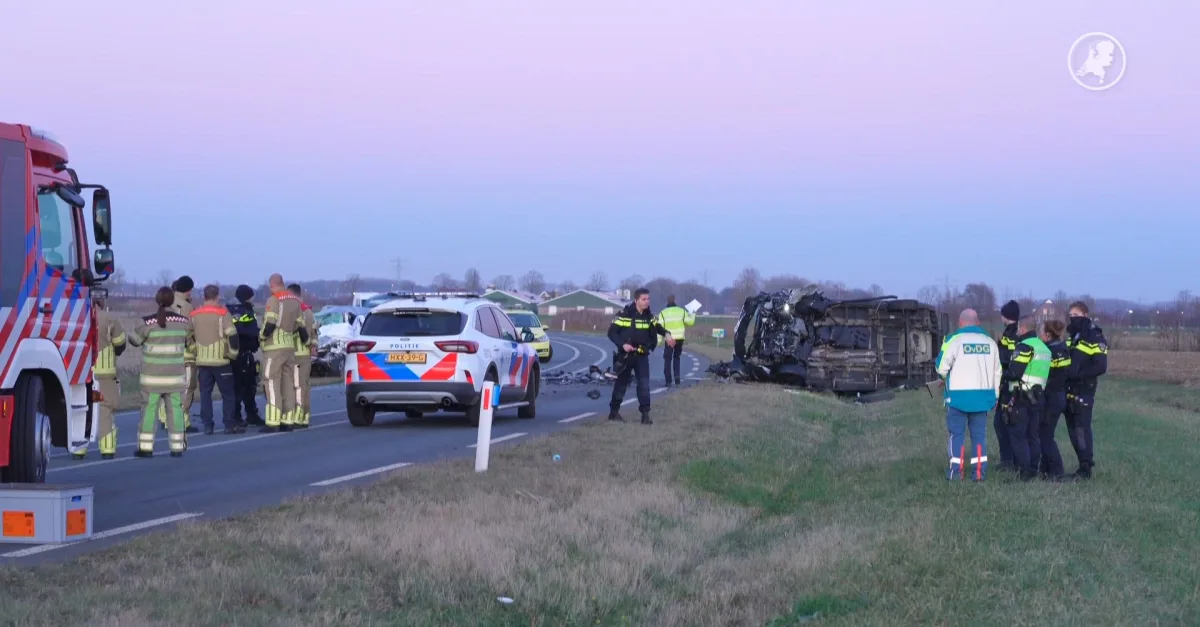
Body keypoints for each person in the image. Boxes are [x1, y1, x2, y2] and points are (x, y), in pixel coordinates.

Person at [935, 308, 1002, 481]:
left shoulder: (953, 341)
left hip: (958, 398)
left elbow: (941, 368)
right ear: (978, 322)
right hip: (983, 398)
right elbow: (997, 372)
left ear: (960, 322)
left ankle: (955, 473)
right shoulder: (990, 342)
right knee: (979, 437)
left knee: (956, 436)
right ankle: (979, 474)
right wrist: (995, 396)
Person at [127, 287, 195, 458]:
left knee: (149, 411)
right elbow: (190, 344)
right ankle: (177, 447)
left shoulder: (147, 322)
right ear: (172, 300)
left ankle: (145, 447)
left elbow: (134, 340)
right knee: (176, 411)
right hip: (175, 378)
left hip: (152, 379)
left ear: (157, 300)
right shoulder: (183, 322)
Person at [606, 287, 674, 425]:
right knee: (621, 385)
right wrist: (622, 345)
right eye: (644, 299)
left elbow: (658, 327)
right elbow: (612, 333)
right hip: (625, 356)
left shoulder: (649, 316)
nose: (647, 302)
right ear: (636, 300)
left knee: (644, 385)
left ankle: (645, 415)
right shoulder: (624, 314)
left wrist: (667, 334)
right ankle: (613, 413)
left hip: (642, 355)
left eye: (648, 299)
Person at [1001, 316, 1051, 481]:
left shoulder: (1024, 347)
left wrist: (1002, 374)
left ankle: (1023, 472)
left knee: (1018, 435)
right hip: (1037, 397)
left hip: (1022, 396)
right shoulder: (1043, 348)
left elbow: (1015, 372)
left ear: (1022, 328)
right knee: (1033, 435)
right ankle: (1033, 468)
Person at [78, 290, 126, 460]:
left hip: (80, 373)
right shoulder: (109, 318)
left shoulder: (76, 317)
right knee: (105, 409)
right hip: (104, 373)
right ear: (101, 302)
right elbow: (120, 344)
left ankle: (78, 449)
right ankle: (107, 449)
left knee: (80, 409)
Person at [258, 273, 309, 433]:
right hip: (290, 349)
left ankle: (273, 421)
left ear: (272, 284)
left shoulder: (274, 300)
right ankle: (287, 420)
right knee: (288, 384)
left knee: (271, 382)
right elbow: (301, 327)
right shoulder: (294, 301)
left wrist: (261, 336)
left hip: (274, 348)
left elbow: (271, 323)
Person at [1064, 301, 1108, 480]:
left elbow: (1100, 366)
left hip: (1084, 389)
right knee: (1072, 429)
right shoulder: (1073, 336)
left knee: (1081, 428)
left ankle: (1086, 466)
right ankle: (1081, 462)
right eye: (1070, 316)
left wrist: (1079, 375)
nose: (1072, 319)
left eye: (1076, 315)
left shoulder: (1094, 336)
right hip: (1069, 388)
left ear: (1085, 314)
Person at [191, 284, 243, 435]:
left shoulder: (195, 314)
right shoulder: (222, 313)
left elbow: (187, 335)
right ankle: (229, 424)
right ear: (217, 296)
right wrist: (233, 354)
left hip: (202, 361)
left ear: (204, 296)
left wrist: (195, 349)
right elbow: (232, 335)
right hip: (221, 361)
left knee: (205, 395)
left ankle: (208, 425)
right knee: (228, 394)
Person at [164, 275, 200, 434]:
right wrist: (194, 347)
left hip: (166, 351)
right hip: (184, 355)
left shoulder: (166, 302)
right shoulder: (186, 307)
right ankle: (182, 421)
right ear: (189, 290)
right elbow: (188, 330)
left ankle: (166, 419)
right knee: (187, 387)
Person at [1039, 319, 1073, 481]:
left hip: (1051, 398)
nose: (1039, 334)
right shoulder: (1063, 348)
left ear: (1047, 335)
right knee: (1046, 433)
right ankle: (1045, 469)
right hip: (1060, 396)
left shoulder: (1047, 352)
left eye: (1041, 332)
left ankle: (1057, 471)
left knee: (1045, 435)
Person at [227, 284, 265, 427]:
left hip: (242, 353)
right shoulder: (242, 311)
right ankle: (239, 416)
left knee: (249, 386)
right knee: (242, 387)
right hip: (242, 353)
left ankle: (249, 414)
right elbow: (248, 331)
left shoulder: (230, 309)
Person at [993, 299, 1021, 473]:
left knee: (1002, 423)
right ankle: (1010, 460)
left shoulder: (1010, 335)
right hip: (1015, 384)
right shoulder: (1017, 331)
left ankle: (1008, 461)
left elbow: (1007, 358)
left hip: (1009, 383)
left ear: (1006, 316)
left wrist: (998, 347)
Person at [288, 283, 319, 429]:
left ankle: (297, 418)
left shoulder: (295, 311)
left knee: (297, 387)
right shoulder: (309, 311)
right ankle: (304, 417)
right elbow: (314, 333)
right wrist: (313, 346)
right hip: (305, 355)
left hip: (295, 354)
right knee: (304, 386)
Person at [655, 294, 695, 387]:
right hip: (679, 338)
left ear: (667, 301)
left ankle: (668, 381)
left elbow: (659, 328)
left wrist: (659, 341)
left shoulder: (662, 313)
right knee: (677, 358)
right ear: (675, 300)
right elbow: (690, 322)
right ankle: (677, 379)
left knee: (667, 359)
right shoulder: (681, 311)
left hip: (669, 339)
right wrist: (692, 313)